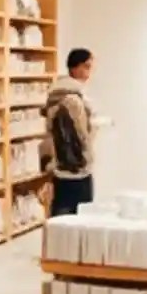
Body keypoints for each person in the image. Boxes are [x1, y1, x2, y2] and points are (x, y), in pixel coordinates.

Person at [43, 48, 96, 216]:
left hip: (59, 167)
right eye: (86, 67)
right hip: (77, 168)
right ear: (75, 68)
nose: (89, 72)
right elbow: (80, 135)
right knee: (80, 217)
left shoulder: (55, 96)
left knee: (61, 216)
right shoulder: (73, 99)